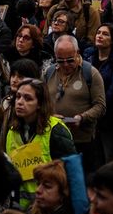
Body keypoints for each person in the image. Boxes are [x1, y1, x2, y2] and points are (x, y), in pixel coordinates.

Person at [0, 79, 76, 209]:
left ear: (40, 104)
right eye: (18, 97)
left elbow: (72, 173)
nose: (20, 102)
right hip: (20, 208)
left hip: (49, 209)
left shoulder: (56, 130)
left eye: (28, 99)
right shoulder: (12, 131)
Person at [44, 34, 107, 165]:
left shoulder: (90, 73)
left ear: (77, 53)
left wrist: (82, 118)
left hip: (81, 141)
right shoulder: (49, 73)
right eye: (60, 61)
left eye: (70, 60)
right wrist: (49, 116)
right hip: (53, 140)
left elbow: (100, 106)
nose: (65, 65)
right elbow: (41, 102)